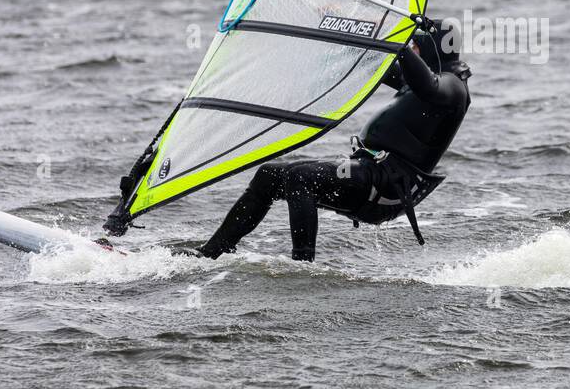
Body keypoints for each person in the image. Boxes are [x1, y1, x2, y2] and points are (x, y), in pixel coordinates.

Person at [192, 17, 471, 261]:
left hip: (384, 185)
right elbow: (375, 59)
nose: (411, 51)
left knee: (301, 178)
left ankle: (302, 266)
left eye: (415, 47)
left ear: (432, 49)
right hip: (369, 173)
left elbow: (427, 84)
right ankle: (214, 252)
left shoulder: (453, 88)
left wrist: (399, 37)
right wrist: (338, 22)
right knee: (268, 176)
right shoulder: (425, 81)